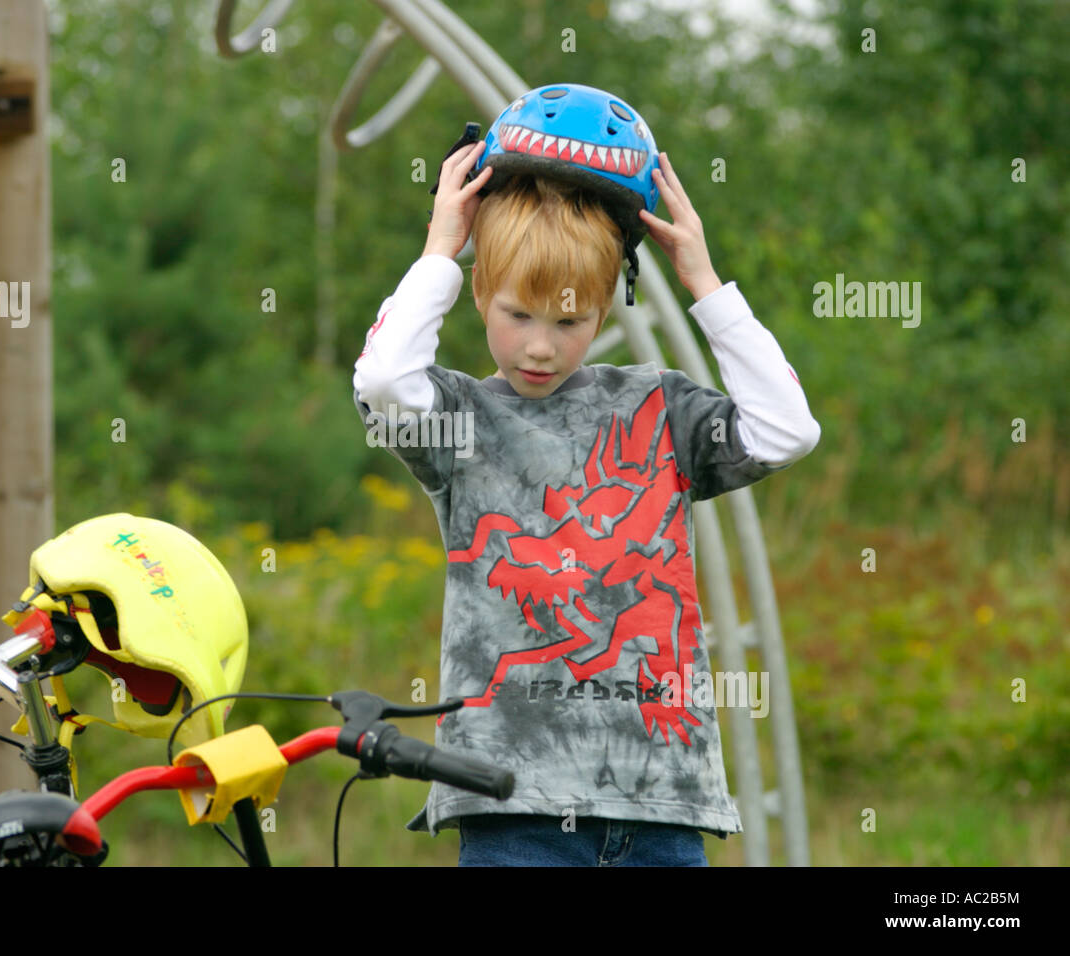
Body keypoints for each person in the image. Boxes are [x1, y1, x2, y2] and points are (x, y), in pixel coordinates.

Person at [351, 84, 820, 866]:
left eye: (569, 321)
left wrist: (705, 283)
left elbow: (787, 429)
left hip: (663, 806)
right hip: (514, 809)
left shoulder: (659, 407)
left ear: (604, 310)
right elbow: (384, 380)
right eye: (517, 315)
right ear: (477, 295)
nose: (540, 346)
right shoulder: (459, 421)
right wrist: (441, 247)